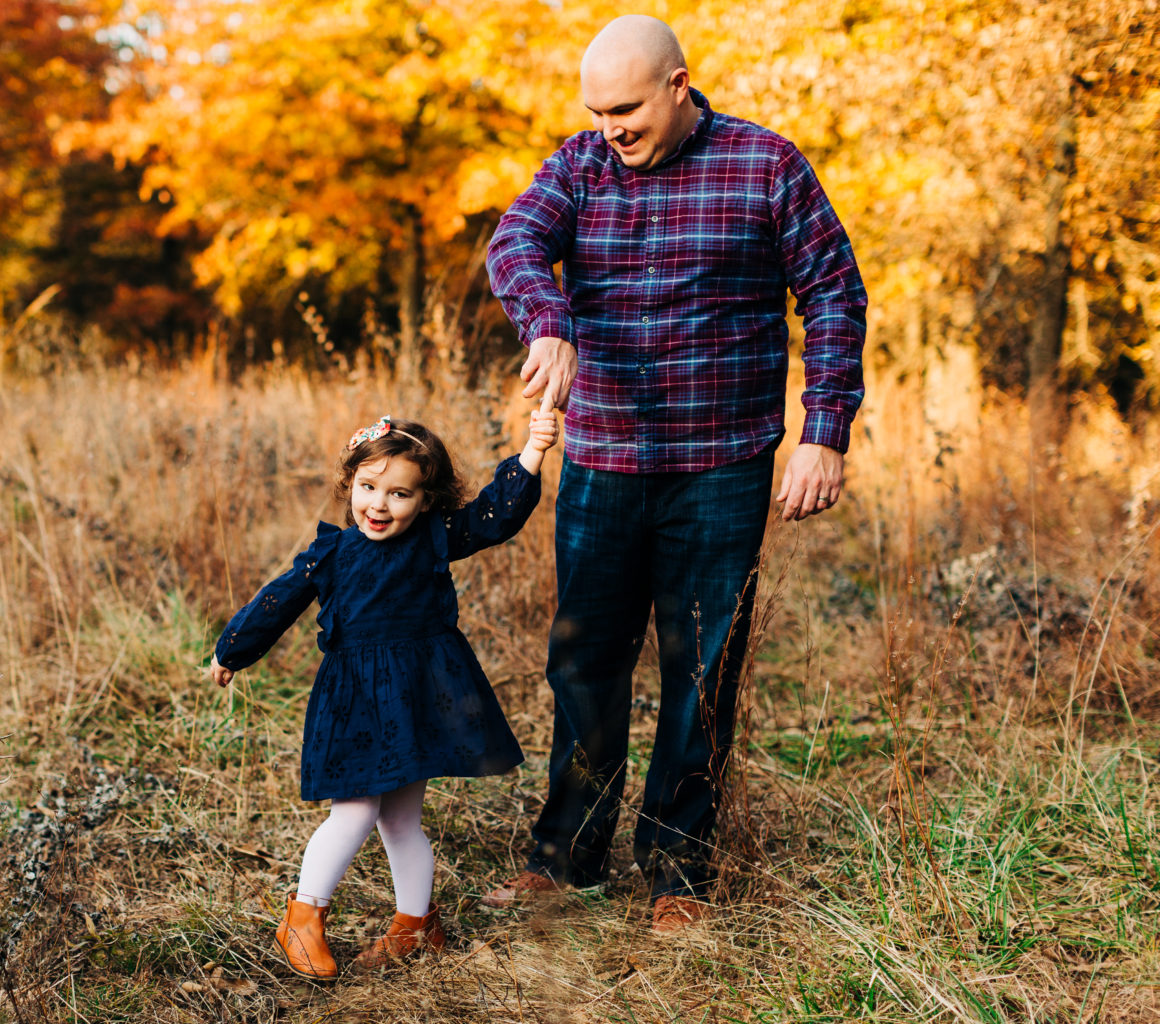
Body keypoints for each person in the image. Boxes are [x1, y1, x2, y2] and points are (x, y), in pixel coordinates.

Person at [482, 15, 867, 933]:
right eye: (596, 110)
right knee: (583, 662)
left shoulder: (767, 166)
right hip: (605, 460)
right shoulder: (578, 166)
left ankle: (678, 874)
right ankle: (566, 858)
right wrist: (547, 319)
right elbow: (515, 244)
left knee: (703, 669)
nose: (610, 127)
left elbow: (833, 292)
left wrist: (824, 432)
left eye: (625, 108)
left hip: (722, 465)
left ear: (679, 86)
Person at [209, 410, 559, 979]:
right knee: (355, 810)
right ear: (350, 485)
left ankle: (416, 923)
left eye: (399, 494)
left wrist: (533, 454)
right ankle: (303, 915)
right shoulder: (334, 554)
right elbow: (279, 600)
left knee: (401, 820)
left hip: (415, 697)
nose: (379, 505)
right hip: (355, 703)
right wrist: (233, 650)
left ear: (425, 500)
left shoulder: (435, 539)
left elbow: (496, 517)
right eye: (368, 488)